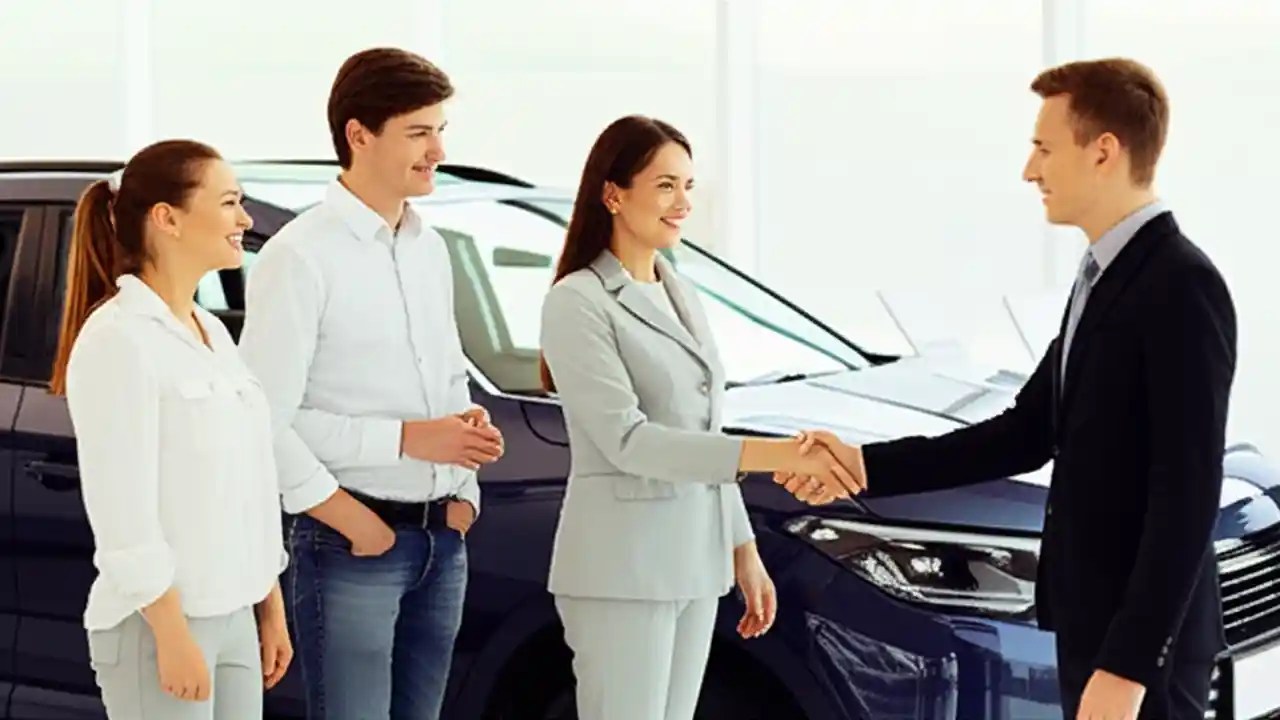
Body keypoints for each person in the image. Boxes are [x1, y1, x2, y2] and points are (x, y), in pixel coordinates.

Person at [780, 58, 1236, 719]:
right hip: (1093, 629)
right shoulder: (1103, 277)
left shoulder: (1181, 284)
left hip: (1141, 660)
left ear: (1103, 151)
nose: (1031, 170)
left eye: (1044, 148)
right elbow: (1024, 434)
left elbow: (1187, 497)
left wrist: (1128, 668)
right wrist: (862, 465)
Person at [538, 114, 863, 720]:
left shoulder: (675, 287)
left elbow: (702, 432)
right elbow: (628, 441)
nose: (684, 202)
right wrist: (777, 455)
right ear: (614, 193)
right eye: (665, 185)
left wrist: (741, 549)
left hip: (692, 561)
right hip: (622, 570)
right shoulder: (576, 301)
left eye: (688, 185)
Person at [237, 47, 505, 720]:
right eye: (419, 131)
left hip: (441, 541)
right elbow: (263, 419)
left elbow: (446, 380)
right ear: (359, 135)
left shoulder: (430, 247)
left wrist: (464, 485)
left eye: (440, 130)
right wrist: (359, 507)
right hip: (351, 541)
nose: (438, 149)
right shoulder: (298, 256)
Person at [49, 139, 292, 719]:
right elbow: (122, 514)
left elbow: (249, 482)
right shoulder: (118, 339)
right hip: (158, 624)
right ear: (168, 219)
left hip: (234, 612)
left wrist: (269, 604)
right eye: (230, 202)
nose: (245, 219)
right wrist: (172, 635)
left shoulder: (210, 331)